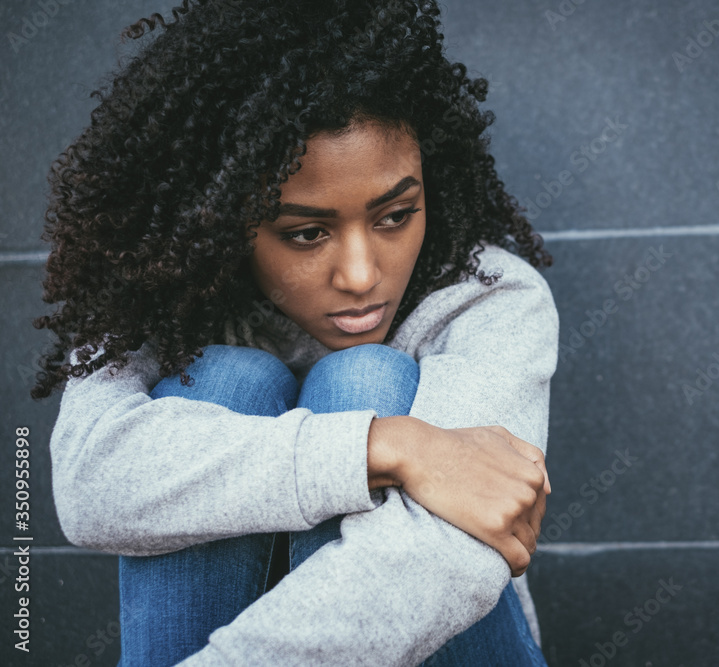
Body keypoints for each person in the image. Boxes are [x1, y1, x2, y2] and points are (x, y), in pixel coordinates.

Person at [31, 0, 559, 664]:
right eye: (307, 233)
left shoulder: (489, 297)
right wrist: (383, 445)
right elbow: (90, 485)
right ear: (222, 217)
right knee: (223, 379)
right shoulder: (158, 297)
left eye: (396, 215)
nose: (362, 275)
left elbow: (440, 562)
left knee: (362, 378)